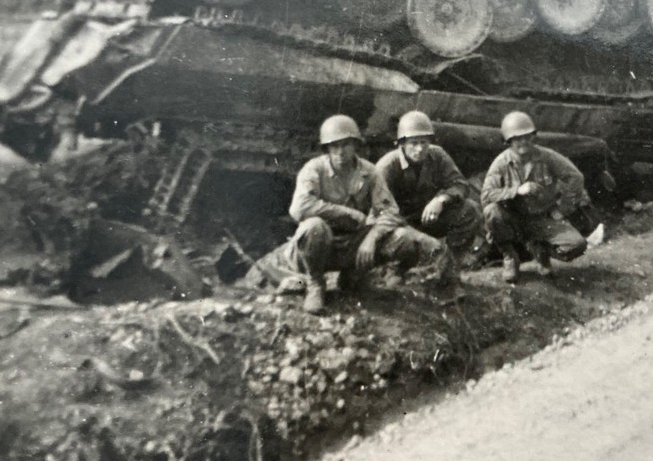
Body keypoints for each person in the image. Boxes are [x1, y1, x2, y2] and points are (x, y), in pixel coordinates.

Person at [251, 114, 455, 314]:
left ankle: (353, 276)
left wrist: (372, 239)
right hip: (320, 246)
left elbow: (390, 212)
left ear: (355, 145)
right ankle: (316, 284)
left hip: (355, 243)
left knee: (405, 240)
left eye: (346, 144)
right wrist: (344, 212)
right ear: (327, 148)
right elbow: (299, 208)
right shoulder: (314, 169)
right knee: (314, 226)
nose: (340, 151)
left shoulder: (369, 172)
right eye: (334, 146)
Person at [481, 110, 600, 283]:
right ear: (509, 141)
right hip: (513, 219)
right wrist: (517, 190)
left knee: (577, 245)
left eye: (527, 137)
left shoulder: (546, 157)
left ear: (533, 137)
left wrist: (563, 209)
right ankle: (510, 257)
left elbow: (575, 177)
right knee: (491, 211)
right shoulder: (501, 162)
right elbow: (486, 195)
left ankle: (541, 253)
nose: (523, 142)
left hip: (542, 219)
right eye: (517, 138)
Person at [375, 111, 482, 256]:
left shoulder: (437, 155)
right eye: (413, 143)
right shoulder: (387, 167)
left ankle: (451, 264)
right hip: (398, 226)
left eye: (423, 142)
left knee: (470, 210)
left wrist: (441, 199)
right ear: (402, 144)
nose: (419, 149)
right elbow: (380, 212)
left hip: (428, 218)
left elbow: (460, 184)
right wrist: (418, 236)